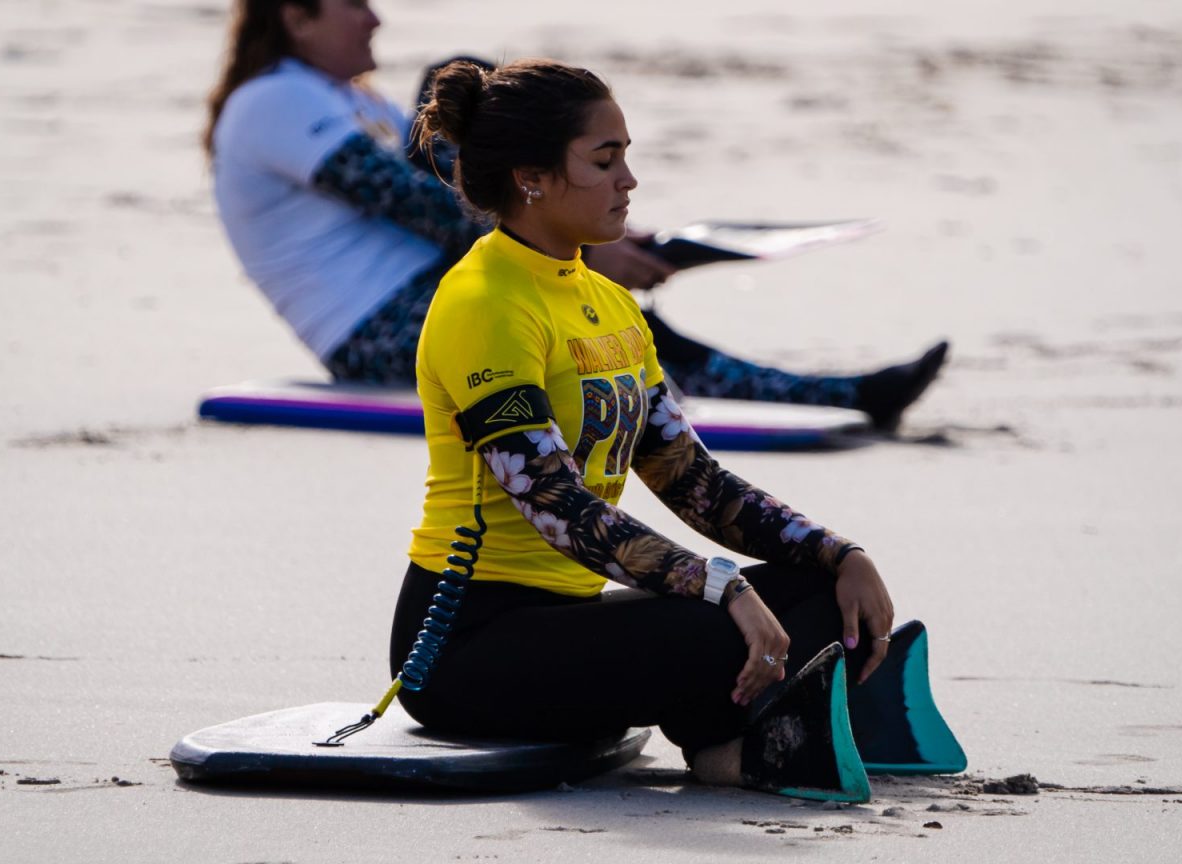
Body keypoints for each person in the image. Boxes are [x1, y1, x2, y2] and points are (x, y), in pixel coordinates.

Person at [381, 56, 907, 800]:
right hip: (467, 652)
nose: (629, 181)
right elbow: (558, 506)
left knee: (818, 595)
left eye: (626, 157)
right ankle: (732, 746)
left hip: (570, 623)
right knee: (729, 623)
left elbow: (693, 482)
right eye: (604, 160)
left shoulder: (608, 302)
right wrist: (719, 586)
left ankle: (768, 722)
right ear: (531, 177)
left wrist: (835, 551)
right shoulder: (485, 303)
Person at [204, 0, 949, 433]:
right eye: (351, 2)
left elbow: (452, 191)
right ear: (296, 17)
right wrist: (585, 252)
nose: (375, 16)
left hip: (430, 278)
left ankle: (818, 387)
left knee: (457, 81)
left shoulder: (344, 96)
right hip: (380, 328)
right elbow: (418, 204)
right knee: (606, 316)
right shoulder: (274, 99)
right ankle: (837, 398)